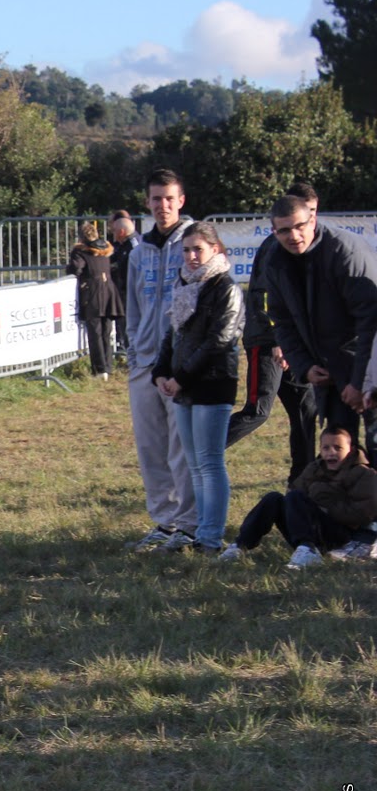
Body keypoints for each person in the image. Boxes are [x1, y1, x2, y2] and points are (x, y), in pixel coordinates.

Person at [254, 193, 377, 465]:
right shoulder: (274, 261)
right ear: (273, 231)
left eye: (299, 226)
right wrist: (304, 366)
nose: (294, 236)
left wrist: (359, 382)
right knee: (340, 458)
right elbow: (282, 320)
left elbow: (370, 322)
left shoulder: (345, 252)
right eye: (284, 230)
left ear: (313, 220)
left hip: (369, 368)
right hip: (328, 372)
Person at [151, 222, 243, 555]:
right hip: (183, 385)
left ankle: (210, 537)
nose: (191, 256)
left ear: (215, 250)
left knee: (209, 462)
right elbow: (172, 333)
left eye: (198, 249)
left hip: (213, 383)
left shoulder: (225, 287)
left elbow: (219, 340)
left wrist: (182, 378)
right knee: (193, 464)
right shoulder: (184, 283)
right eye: (187, 250)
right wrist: (160, 372)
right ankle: (202, 533)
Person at [124, 169, 199, 552]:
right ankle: (164, 522)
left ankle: (189, 523)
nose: (163, 206)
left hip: (182, 365)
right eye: (156, 199)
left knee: (182, 445)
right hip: (144, 364)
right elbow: (133, 307)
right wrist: (136, 354)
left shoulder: (195, 243)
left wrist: (187, 360)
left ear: (181, 200)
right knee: (150, 445)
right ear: (148, 202)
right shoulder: (139, 253)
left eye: (169, 198)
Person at [227, 183, 319, 485]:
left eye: (315, 214)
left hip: (293, 344)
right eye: (309, 213)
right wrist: (280, 339)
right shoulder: (275, 248)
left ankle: (301, 481)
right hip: (267, 342)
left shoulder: (307, 247)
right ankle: (197, 455)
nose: (311, 222)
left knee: (306, 410)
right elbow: (266, 297)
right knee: (258, 410)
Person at [221, 427, 377, 569]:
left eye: (338, 448)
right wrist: (311, 505)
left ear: (350, 450)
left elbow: (364, 514)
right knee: (274, 498)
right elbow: (295, 498)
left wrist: (327, 506)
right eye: (326, 447)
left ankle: (308, 550)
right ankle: (239, 546)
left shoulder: (364, 474)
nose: (331, 452)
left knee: (295, 497)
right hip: (308, 527)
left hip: (340, 537)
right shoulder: (314, 469)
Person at [67, 220, 119, 379]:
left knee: (94, 331)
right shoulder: (106, 249)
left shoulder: (81, 251)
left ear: (82, 237)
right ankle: (108, 367)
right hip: (108, 290)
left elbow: (76, 268)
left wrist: (70, 264)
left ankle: (99, 369)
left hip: (92, 292)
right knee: (106, 330)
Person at [109, 214, 136, 361]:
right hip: (123, 291)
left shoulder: (133, 245)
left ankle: (132, 354)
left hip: (131, 293)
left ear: (121, 232)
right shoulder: (123, 246)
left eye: (114, 231)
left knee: (129, 324)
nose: (112, 234)